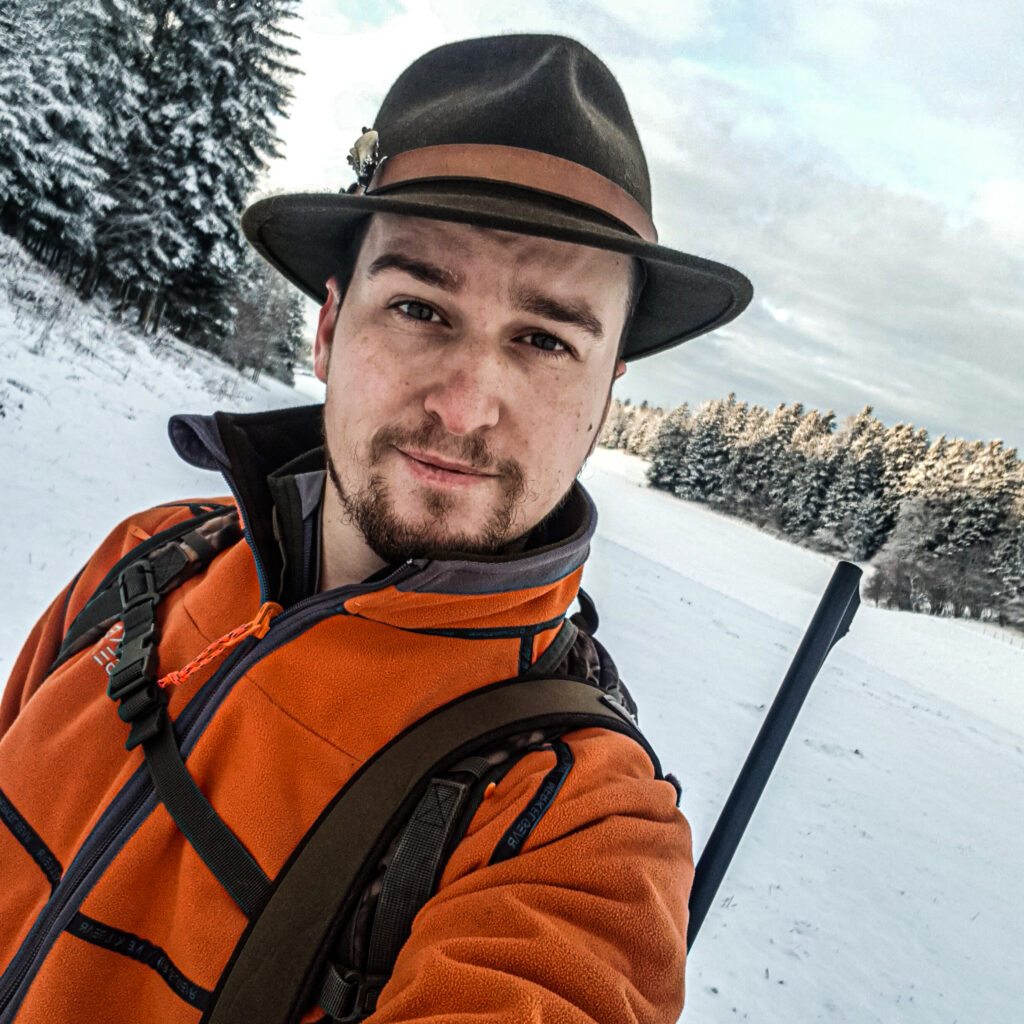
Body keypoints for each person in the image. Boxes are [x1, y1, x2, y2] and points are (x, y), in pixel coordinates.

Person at [0, 34, 751, 1024]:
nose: (467, 404)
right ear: (326, 327)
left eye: (542, 340)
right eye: (418, 307)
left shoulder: (574, 825)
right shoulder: (149, 561)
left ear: (606, 399)